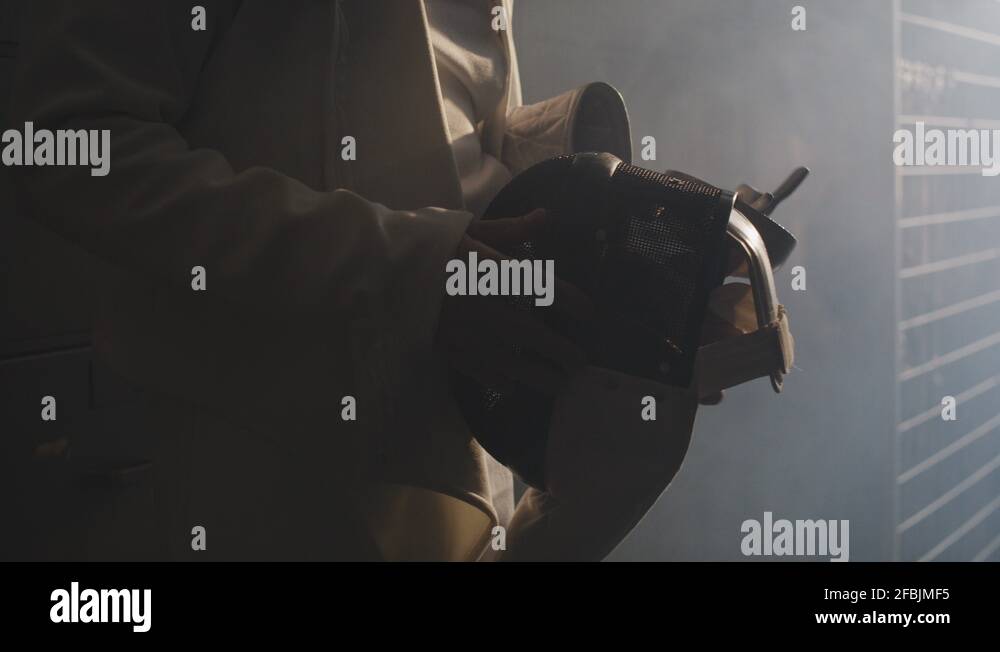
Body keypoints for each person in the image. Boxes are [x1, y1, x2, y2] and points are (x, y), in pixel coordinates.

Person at [11, 0, 743, 560]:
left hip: (442, 508)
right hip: (234, 491)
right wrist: (414, 271)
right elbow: (60, 143)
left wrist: (623, 295)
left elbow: (447, 175)